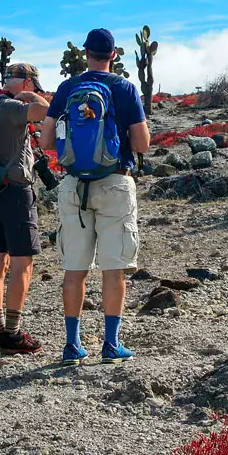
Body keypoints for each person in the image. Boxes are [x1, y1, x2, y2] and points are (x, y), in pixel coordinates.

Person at [40, 28, 150, 365]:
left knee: (74, 270)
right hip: (115, 182)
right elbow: (142, 144)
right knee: (113, 269)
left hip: (73, 184)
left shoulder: (67, 88)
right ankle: (111, 344)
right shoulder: (126, 88)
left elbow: (46, 141)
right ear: (114, 55)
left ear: (85, 53)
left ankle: (72, 345)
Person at [0, 62, 49, 355]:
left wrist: (1, 90)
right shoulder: (11, 107)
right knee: (23, 262)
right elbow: (47, 113)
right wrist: (30, 98)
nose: (35, 89)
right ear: (26, 82)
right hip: (16, 192)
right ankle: (13, 333)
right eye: (33, 83)